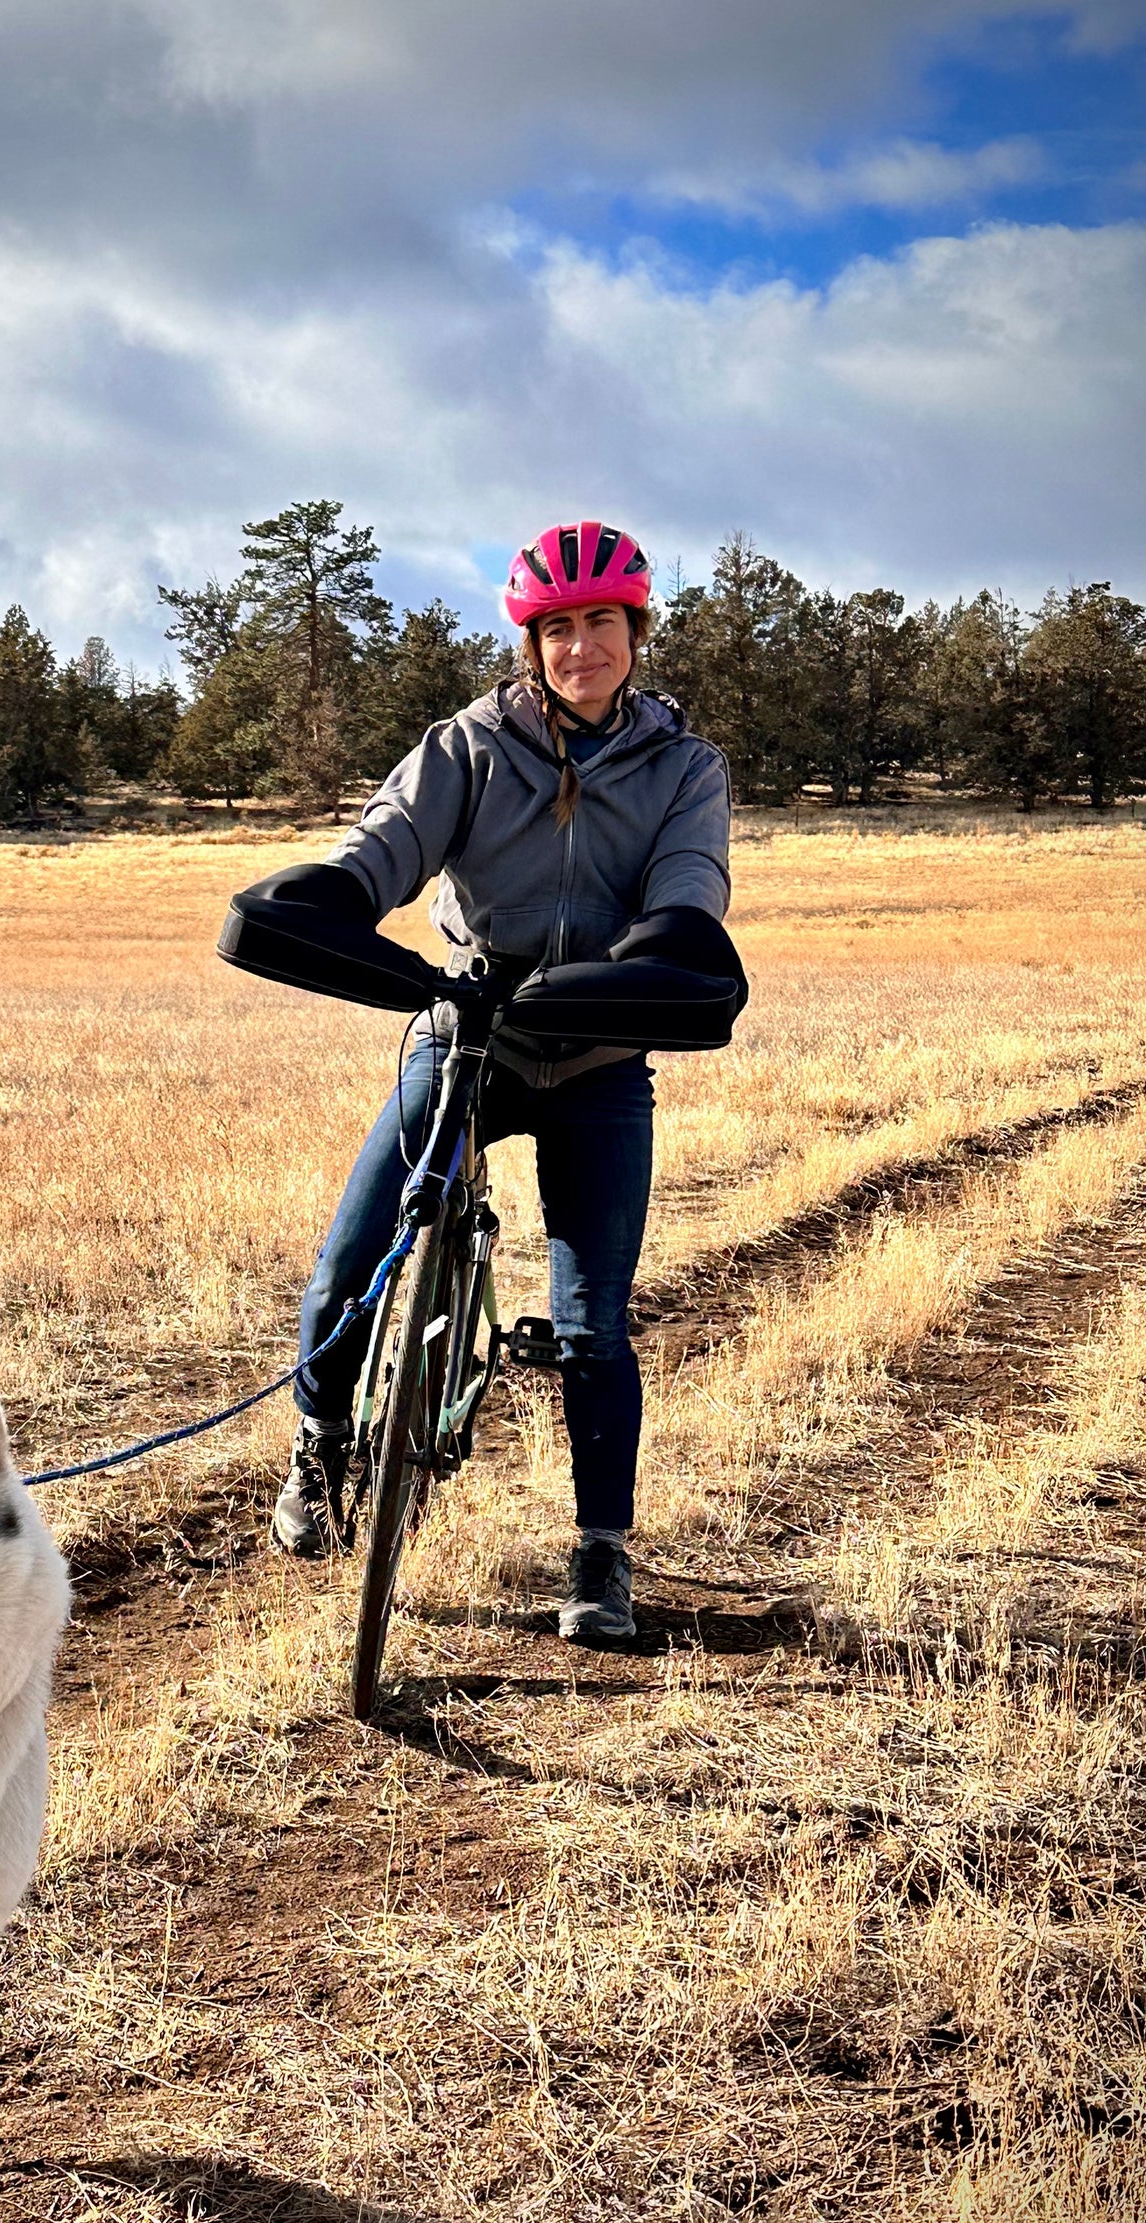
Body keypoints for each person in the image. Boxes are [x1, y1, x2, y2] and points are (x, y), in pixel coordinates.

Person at [266, 520, 740, 1642]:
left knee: (593, 1326)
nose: (583, 647)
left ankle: (601, 1555)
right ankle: (318, 1443)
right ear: (531, 643)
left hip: (598, 1051)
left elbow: (689, 885)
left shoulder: (685, 769)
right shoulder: (469, 745)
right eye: (560, 627)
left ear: (636, 631)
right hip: (468, 1031)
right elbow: (388, 845)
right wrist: (336, 896)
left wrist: (662, 950)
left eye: (604, 623)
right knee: (352, 1259)